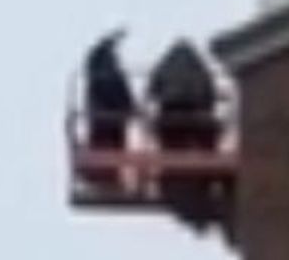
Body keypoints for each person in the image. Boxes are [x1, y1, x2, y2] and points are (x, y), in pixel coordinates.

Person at [147, 39, 230, 234]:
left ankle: (194, 184)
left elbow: (152, 91)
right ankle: (204, 181)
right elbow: (209, 94)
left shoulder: (165, 67)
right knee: (207, 145)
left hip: (172, 116)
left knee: (172, 151)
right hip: (193, 117)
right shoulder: (200, 69)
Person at [81, 29, 135, 190]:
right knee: (110, 145)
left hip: (102, 115)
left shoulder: (99, 67)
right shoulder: (105, 67)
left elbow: (117, 89)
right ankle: (107, 178)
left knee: (104, 144)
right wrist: (129, 106)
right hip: (109, 116)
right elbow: (116, 89)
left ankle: (104, 178)